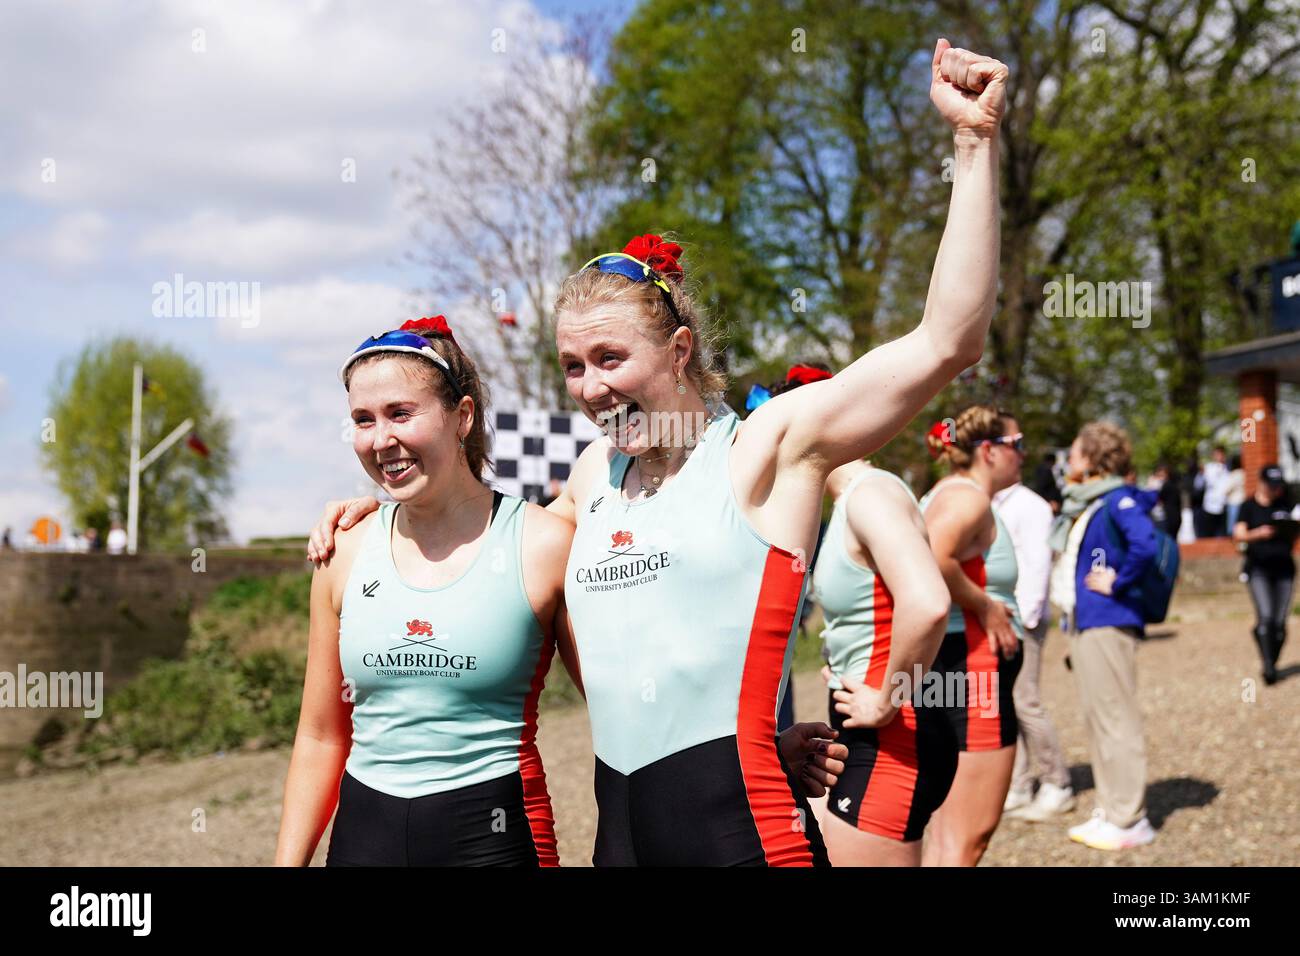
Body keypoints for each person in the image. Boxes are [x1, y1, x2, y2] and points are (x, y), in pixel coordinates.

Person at [309, 37, 1007, 865]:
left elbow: (946, 340)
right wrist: (385, 508)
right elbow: (480, 529)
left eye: (611, 359)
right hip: (624, 840)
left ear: (678, 351)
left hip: (744, 836)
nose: (592, 388)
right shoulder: (593, 480)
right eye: (573, 366)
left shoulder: (764, 450)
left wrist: (971, 146)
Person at [276, 317, 580, 866]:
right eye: (362, 420)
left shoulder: (544, 544)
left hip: (496, 841)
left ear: (461, 416)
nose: (380, 439)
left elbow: (617, 703)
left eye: (401, 413)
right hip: (364, 842)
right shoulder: (342, 551)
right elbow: (320, 737)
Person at [815, 459, 953, 865]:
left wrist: (885, 701)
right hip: (871, 734)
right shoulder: (848, 500)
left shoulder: (870, 495)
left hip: (892, 737)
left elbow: (928, 604)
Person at [917, 406, 1024, 866]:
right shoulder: (968, 500)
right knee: (968, 839)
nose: (1023, 455)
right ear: (989, 451)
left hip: (950, 665)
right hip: (974, 668)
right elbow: (935, 556)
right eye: (1016, 445)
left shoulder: (941, 493)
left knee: (945, 832)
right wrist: (985, 605)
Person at [1049, 421, 1157, 851]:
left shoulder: (1117, 498)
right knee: (1098, 719)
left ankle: (1130, 817)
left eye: (1074, 453)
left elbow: (1145, 545)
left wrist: (1117, 581)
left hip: (1108, 619)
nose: (1067, 462)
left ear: (1093, 458)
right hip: (1087, 620)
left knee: (1116, 720)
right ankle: (1113, 809)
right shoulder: (1091, 502)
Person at [995, 470, 1074, 821]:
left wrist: (1025, 618)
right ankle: (1020, 782)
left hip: (1022, 619)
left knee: (1026, 700)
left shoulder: (1030, 505)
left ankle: (1058, 782)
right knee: (1009, 703)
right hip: (1004, 619)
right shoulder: (995, 500)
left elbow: (1039, 564)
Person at [1233, 464, 1296, 685]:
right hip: (1258, 568)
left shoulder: (1285, 504)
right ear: (1261, 482)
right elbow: (1238, 535)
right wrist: (1258, 534)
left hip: (1284, 569)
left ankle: (1272, 660)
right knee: (1266, 616)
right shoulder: (1248, 507)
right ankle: (1268, 665)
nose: (1275, 490)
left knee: (1279, 623)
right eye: (1272, 486)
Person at [1148, 462, 1182, 540]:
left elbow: (1156, 498)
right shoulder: (1170, 485)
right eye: (1158, 475)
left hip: (1167, 519)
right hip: (1165, 519)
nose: (1160, 478)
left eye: (1162, 475)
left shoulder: (1167, 486)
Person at [1201, 446, 1230, 537]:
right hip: (1210, 505)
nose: (1219, 457)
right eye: (1217, 455)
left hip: (1224, 504)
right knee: (1209, 533)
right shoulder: (1209, 468)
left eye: (1221, 454)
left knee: (1223, 533)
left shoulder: (1227, 468)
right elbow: (1209, 482)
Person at [1224, 453, 1246, 534]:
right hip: (1242, 500)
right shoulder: (1243, 473)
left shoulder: (1234, 474)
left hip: (1234, 502)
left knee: (1233, 528)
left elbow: (1226, 490)